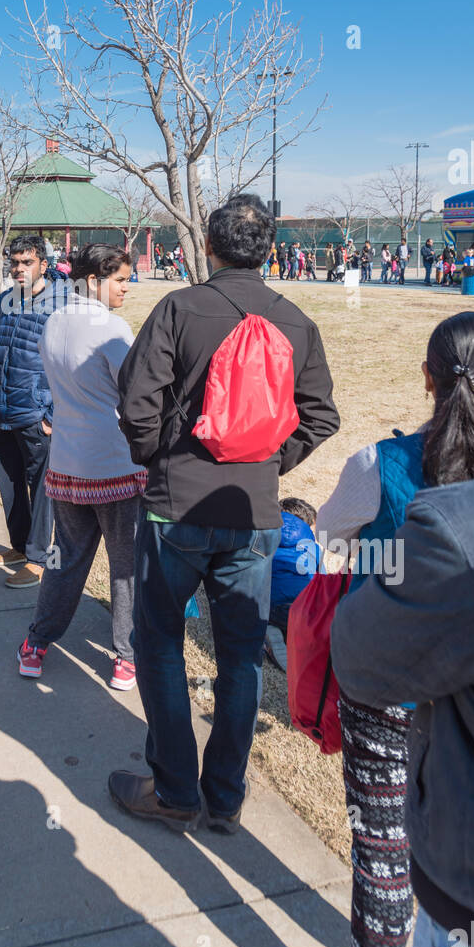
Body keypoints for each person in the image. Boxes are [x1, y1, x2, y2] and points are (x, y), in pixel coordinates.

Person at [111, 193, 339, 834]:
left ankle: (177, 789)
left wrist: (159, 455)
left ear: (207, 246)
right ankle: (225, 795)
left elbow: (136, 404)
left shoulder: (179, 308)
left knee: (159, 644)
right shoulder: (296, 322)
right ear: (268, 250)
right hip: (254, 510)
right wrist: (268, 461)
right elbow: (321, 414)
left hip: (175, 508)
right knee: (239, 656)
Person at [322, 310, 474, 947]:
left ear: (427, 378)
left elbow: (329, 540)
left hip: (392, 691)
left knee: (386, 853)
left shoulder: (378, 465)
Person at [18, 245, 146, 689]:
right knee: (125, 565)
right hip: (115, 462)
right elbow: (137, 390)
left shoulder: (53, 319)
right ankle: (126, 656)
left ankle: (36, 642)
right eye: (120, 280)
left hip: (68, 461)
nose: (127, 287)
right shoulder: (111, 327)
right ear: (93, 280)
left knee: (65, 558)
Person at [0, 235, 71, 589]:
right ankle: (19, 546)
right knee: (10, 482)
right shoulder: (5, 300)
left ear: (43, 265)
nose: (19, 269)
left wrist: (51, 413)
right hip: (1, 409)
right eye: (14, 262)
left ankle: (38, 559)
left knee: (42, 487)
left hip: (35, 413)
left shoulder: (62, 304)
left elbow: (69, 363)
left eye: (27, 262)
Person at [263, 497, 324, 672]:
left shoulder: (263, 534)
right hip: (306, 611)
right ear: (307, 525)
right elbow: (321, 582)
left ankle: (270, 632)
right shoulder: (314, 549)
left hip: (271, 607)